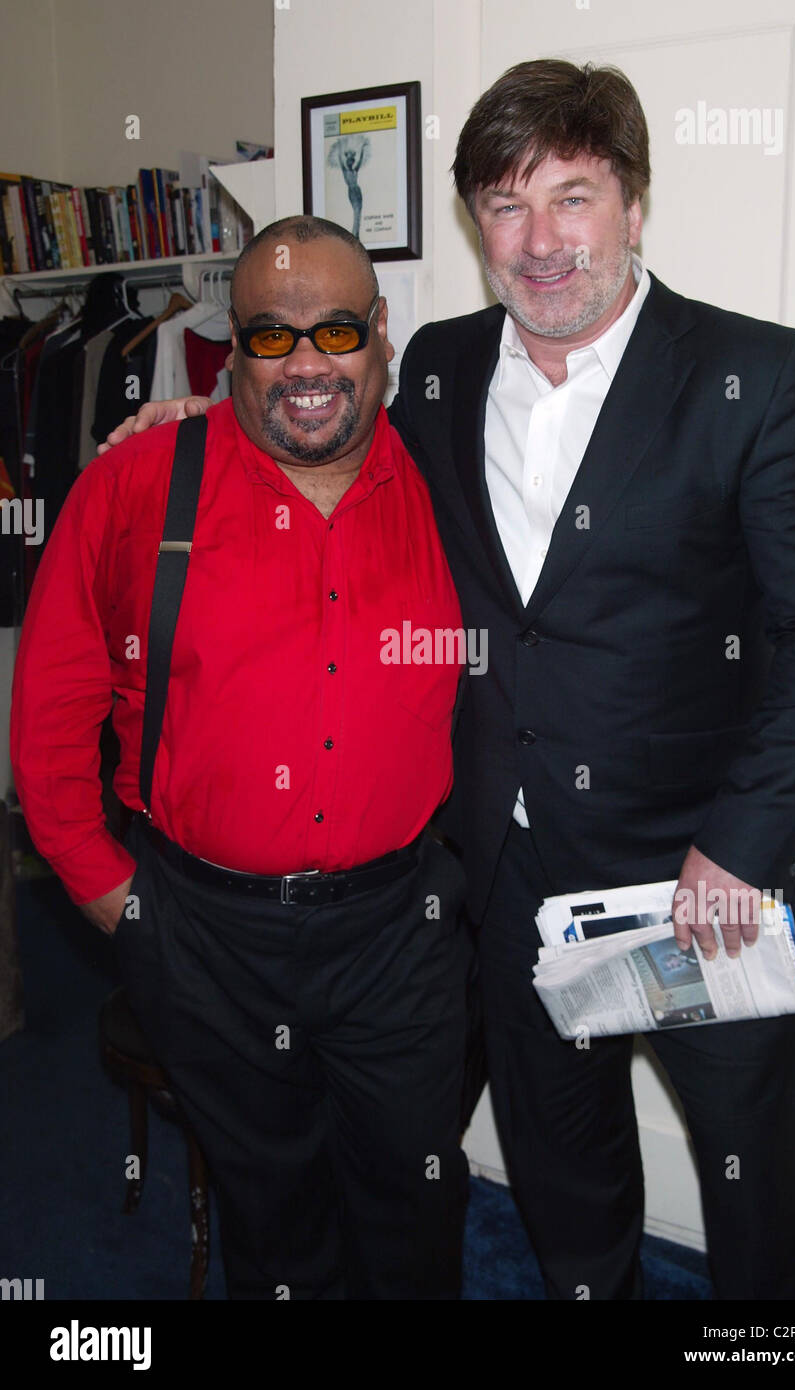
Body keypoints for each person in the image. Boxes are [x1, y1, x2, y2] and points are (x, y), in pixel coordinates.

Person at [99, 60, 795, 1301]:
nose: (541, 241)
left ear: (631, 206)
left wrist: (737, 849)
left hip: (702, 887)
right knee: (566, 1187)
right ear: (474, 226)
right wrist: (187, 425)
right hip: (510, 889)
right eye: (506, 206)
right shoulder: (438, 371)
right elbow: (307, 410)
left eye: (572, 197)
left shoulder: (759, 375)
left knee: (751, 1212)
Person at [10, 215, 472, 1300]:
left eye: (336, 331)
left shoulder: (449, 481)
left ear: (382, 334)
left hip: (399, 930)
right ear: (234, 349)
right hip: (204, 935)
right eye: (271, 336)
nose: (306, 364)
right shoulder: (135, 486)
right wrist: (109, 892)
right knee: (271, 1211)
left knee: (415, 1199)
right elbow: (51, 714)